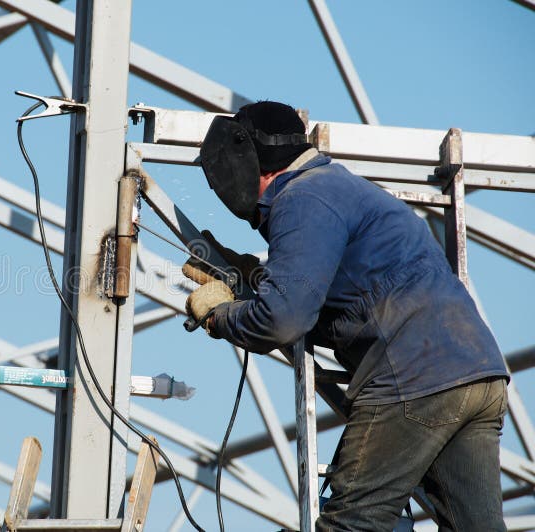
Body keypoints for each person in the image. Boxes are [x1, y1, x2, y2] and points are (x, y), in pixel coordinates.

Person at [184, 101, 509, 531]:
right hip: (477, 371)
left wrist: (221, 315)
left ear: (247, 157)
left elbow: (283, 320)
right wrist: (259, 279)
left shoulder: (301, 198)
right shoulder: (339, 187)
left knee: (351, 525)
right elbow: (348, 300)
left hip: (413, 374)